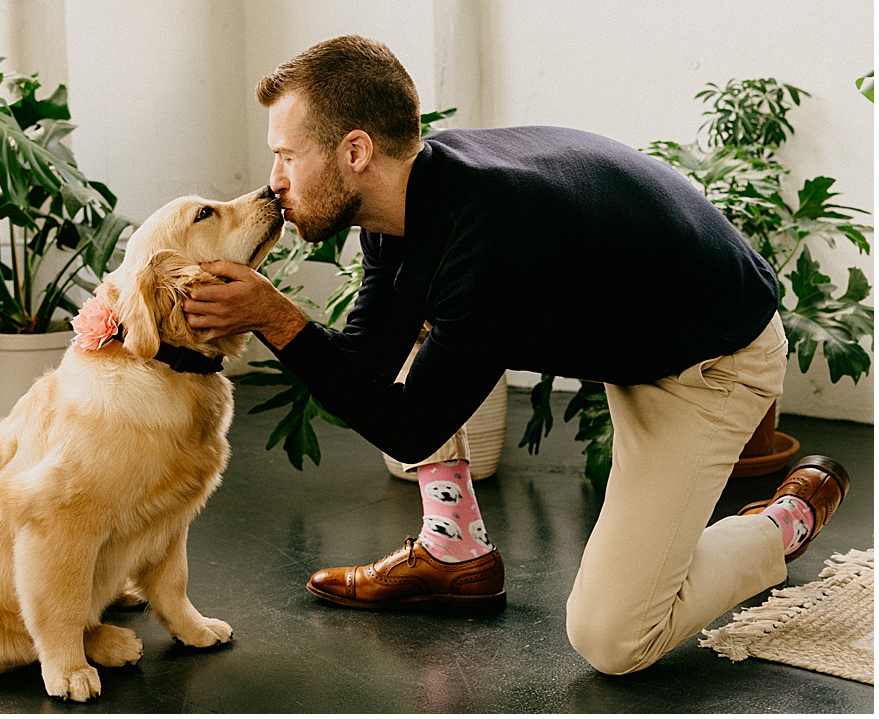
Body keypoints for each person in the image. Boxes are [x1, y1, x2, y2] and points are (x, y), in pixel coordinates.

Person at [182, 35, 850, 675]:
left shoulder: (492, 236)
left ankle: (781, 524)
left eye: (286, 156)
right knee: (426, 319)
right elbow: (364, 366)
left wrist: (271, 315)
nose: (274, 183)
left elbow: (409, 427)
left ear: (356, 151)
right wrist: (273, 318)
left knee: (613, 638)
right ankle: (452, 544)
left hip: (713, 363)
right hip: (642, 333)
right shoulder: (399, 206)